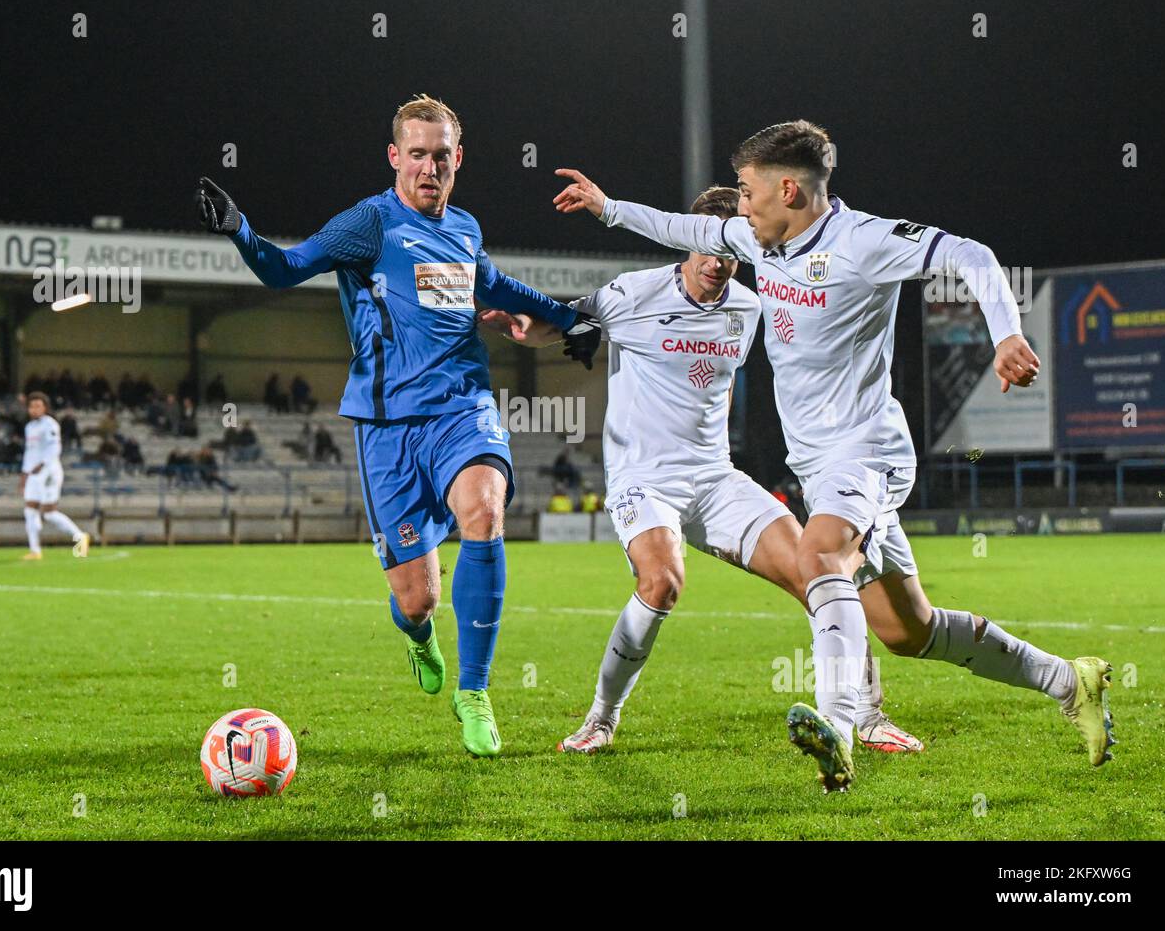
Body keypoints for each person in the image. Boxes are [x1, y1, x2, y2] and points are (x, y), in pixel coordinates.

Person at [552, 121, 1113, 791]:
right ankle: (1067, 680)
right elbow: (686, 230)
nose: (741, 201)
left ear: (788, 187)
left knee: (817, 556)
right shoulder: (760, 241)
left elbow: (971, 254)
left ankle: (838, 734)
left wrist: (1007, 335)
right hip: (821, 469)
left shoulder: (864, 242)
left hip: (867, 450)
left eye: (748, 187)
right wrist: (609, 209)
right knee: (912, 631)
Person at [195, 93, 598, 756]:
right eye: (417, 155)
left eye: (441, 156)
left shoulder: (464, 229)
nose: (428, 167)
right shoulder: (370, 224)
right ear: (394, 157)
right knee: (417, 599)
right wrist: (239, 227)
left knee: (484, 510)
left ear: (458, 159)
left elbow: (496, 288)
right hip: (386, 426)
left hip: (462, 408)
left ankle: (475, 690)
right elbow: (284, 268)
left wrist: (569, 320)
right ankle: (419, 636)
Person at [485, 187, 918, 759]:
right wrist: (527, 328)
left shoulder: (748, 308)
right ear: (687, 240)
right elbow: (570, 325)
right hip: (645, 478)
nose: (717, 262)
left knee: (819, 567)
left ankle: (866, 716)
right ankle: (600, 719)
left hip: (716, 479)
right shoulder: (633, 294)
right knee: (662, 581)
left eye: (728, 250)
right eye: (706, 248)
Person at [20, 392, 90, 560]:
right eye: (32, 406)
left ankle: (80, 538)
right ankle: (35, 550)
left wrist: (42, 464)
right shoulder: (29, 427)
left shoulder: (50, 425)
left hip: (49, 471)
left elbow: (54, 449)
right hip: (33, 473)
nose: (34, 409)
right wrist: (24, 474)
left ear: (45, 408)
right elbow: (29, 453)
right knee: (30, 510)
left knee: (49, 513)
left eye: (38, 406)